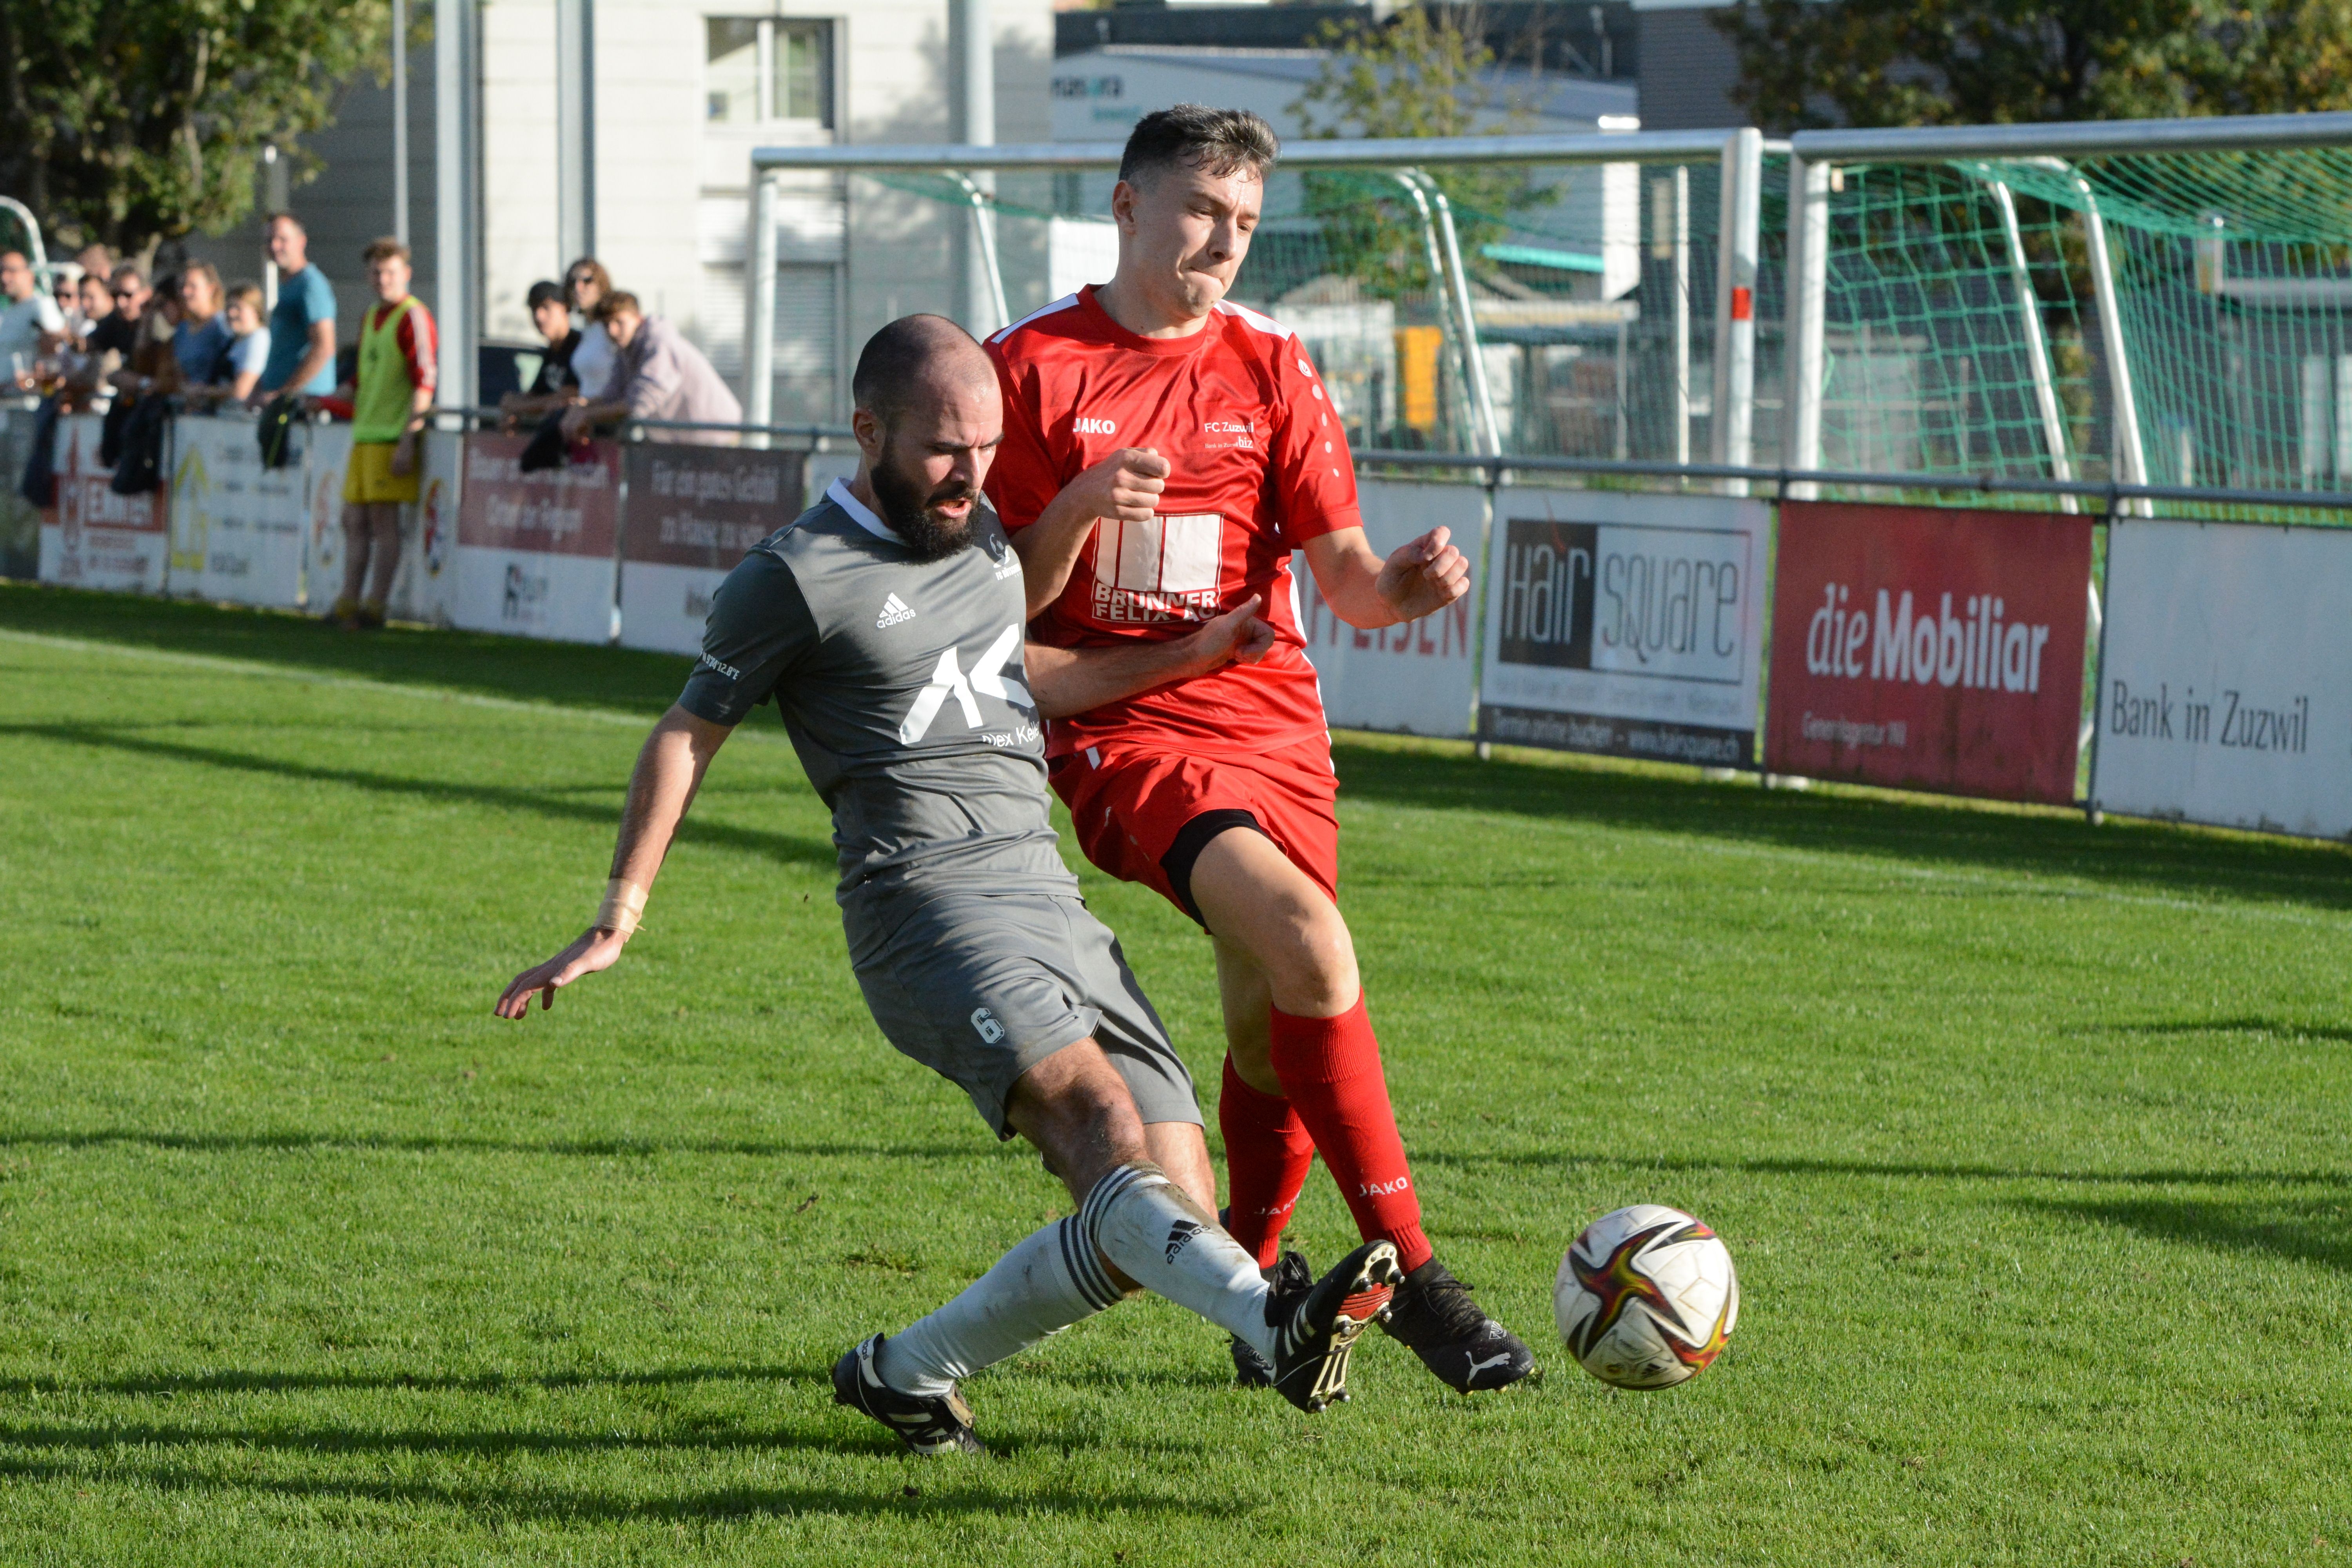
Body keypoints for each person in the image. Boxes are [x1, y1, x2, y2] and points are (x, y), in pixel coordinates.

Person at [494, 314, 1403, 1453]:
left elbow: (1019, 670)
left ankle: (905, 1371)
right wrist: (616, 915)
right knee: (1101, 1129)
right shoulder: (793, 575)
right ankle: (1276, 1326)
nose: (970, 474)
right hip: (920, 904)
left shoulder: (975, 544)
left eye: (983, 447)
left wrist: (1189, 655)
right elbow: (687, 732)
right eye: (940, 449)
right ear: (866, 430)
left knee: (1159, 1210)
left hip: (1048, 896)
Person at [985, 105, 1536, 1396]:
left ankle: (1255, 1292)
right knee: (1311, 943)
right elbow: (993, 618)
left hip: (1274, 724)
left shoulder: (1273, 367)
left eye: (1241, 222)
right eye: (1198, 212)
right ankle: (1415, 1273)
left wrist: (1402, 590)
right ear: (1127, 207)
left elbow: (1345, 583)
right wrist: (1074, 506)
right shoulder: (1030, 369)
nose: (1222, 242)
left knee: (1261, 1022)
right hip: (1128, 727)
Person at [328, 237, 437, 629]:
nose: (382, 279)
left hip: (391, 435)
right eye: (376, 271)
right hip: (366, 433)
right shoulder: (372, 315)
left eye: (389, 271)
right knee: (353, 521)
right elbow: (368, 371)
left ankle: (375, 606)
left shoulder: (413, 316)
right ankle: (348, 602)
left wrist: (409, 436)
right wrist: (340, 393)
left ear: (406, 274)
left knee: (383, 523)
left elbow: (425, 379)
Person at [559, 292, 741, 445]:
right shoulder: (626, 350)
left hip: (717, 440)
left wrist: (586, 414)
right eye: (607, 325)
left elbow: (637, 406)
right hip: (684, 444)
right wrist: (580, 408)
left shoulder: (660, 345)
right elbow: (611, 397)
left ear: (639, 319)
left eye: (619, 322)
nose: (613, 331)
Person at [256, 213, 337, 401]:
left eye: (283, 239)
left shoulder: (311, 285)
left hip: (304, 405)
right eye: (270, 240)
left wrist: (284, 395)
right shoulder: (289, 285)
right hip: (283, 401)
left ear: (301, 242)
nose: (275, 246)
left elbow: (324, 347)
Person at [499, 279, 582, 421]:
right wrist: (511, 403)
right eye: (534, 309)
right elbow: (538, 394)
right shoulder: (552, 351)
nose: (539, 317)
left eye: (546, 308)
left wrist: (518, 407)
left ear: (566, 308)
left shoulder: (579, 346)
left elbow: (569, 395)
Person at [0, 250, 65, 388]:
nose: (4, 277)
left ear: (29, 274)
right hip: (6, 401)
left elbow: (59, 347)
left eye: (12, 271)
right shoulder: (6, 311)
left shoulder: (40, 306)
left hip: (29, 400)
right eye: (1, 271)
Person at [561, 257, 617, 399]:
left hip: (608, 413)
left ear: (601, 285)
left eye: (587, 281)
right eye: (572, 282)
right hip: (588, 414)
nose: (578, 288)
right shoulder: (589, 330)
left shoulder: (612, 326)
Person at [172, 264, 234, 387]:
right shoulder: (182, 329)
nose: (185, 292)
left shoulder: (223, 325)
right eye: (182, 287)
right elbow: (181, 375)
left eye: (192, 286)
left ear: (211, 289)